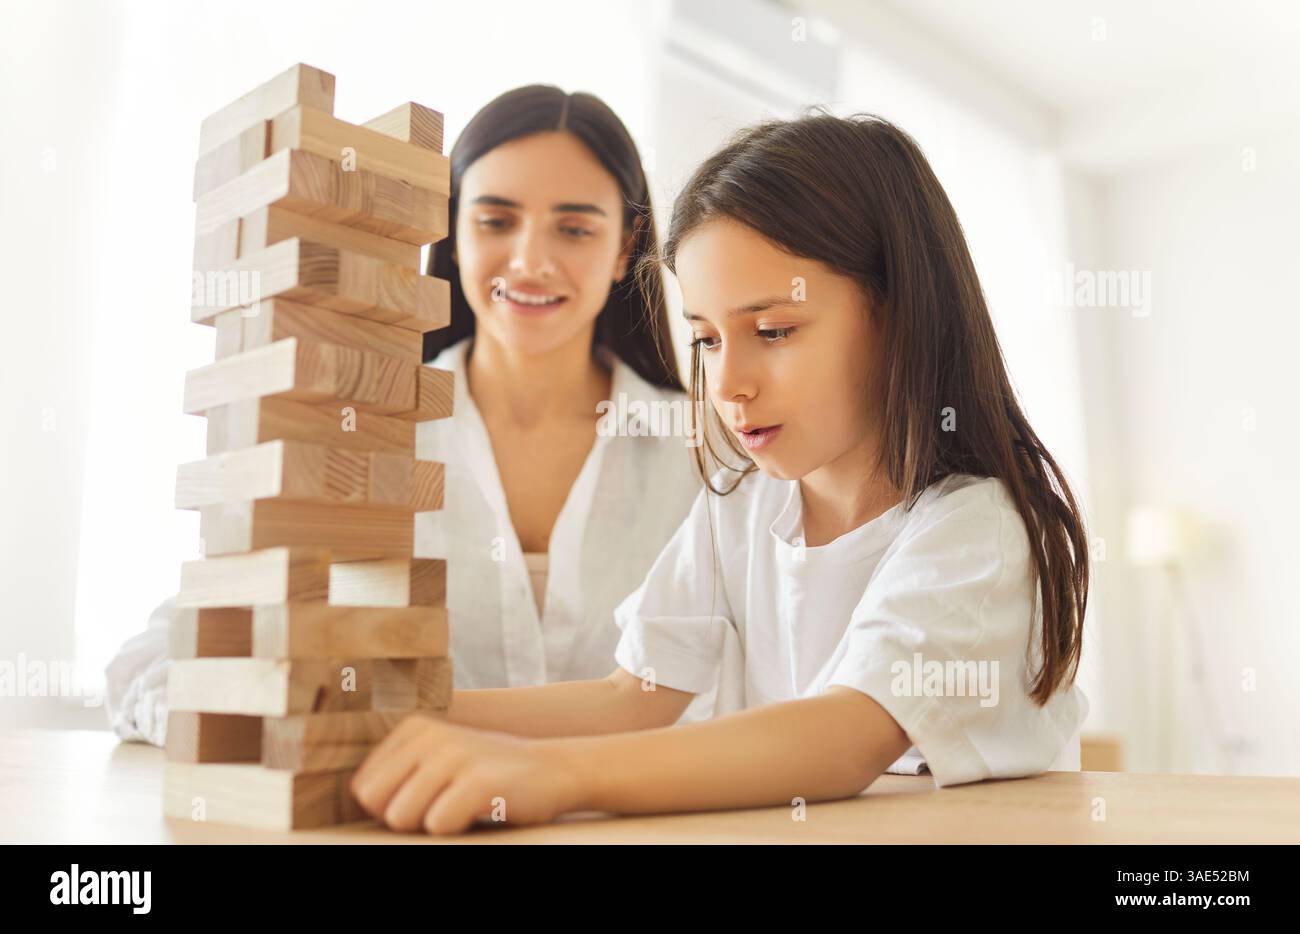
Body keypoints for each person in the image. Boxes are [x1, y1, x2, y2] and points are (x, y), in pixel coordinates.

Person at [347, 113, 1093, 835]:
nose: (728, 383)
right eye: (705, 339)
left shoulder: (977, 529)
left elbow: (844, 737)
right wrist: (379, 716)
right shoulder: (741, 503)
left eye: (773, 331)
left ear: (900, 315)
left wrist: (556, 775)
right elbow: (633, 695)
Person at [104, 86, 707, 744]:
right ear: (449, 227)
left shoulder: (707, 456)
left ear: (627, 244)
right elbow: (166, 650)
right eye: (496, 220)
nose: (531, 261)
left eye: (574, 228)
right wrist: (246, 714)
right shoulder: (361, 434)